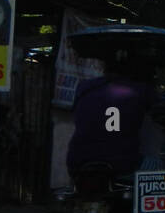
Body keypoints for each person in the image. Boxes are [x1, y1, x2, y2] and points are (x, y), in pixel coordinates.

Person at [66, 52, 157, 181]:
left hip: (76, 163)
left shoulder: (84, 88)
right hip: (123, 164)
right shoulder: (141, 90)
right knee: (159, 166)